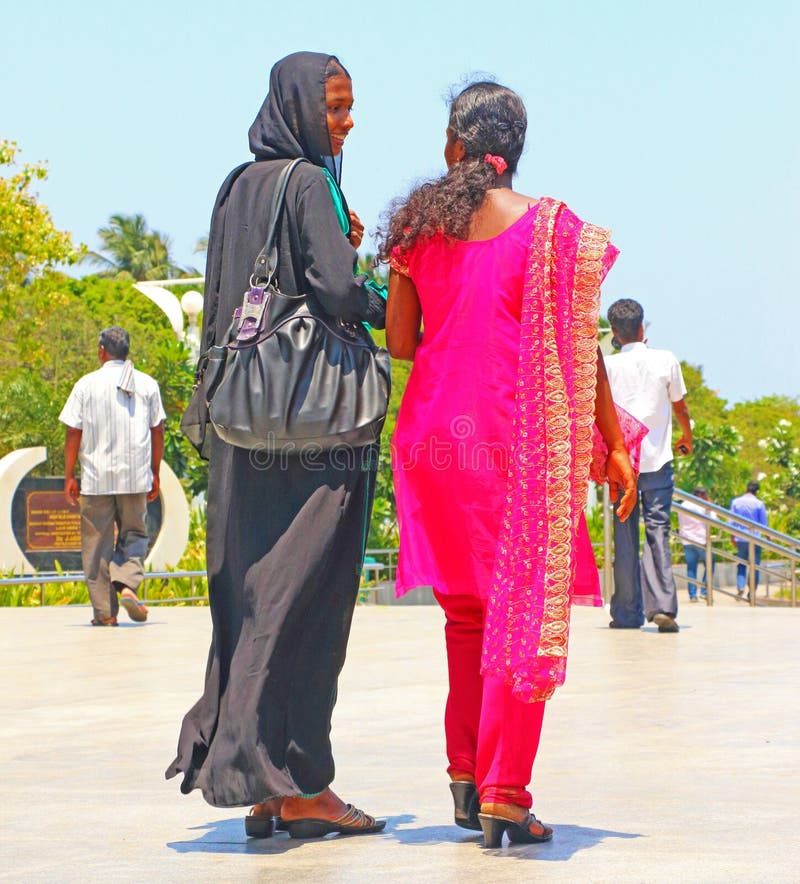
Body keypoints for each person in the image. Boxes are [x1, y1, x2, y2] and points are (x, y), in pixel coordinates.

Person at [379, 80, 637, 849]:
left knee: (466, 616)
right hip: (514, 444)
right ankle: (503, 793)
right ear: (514, 151)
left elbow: (399, 342)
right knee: (521, 613)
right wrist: (615, 444)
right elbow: (578, 345)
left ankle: (465, 774)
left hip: (434, 441)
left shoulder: (416, 230)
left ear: (455, 147)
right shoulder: (555, 231)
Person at [165, 52, 386, 840]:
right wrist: (390, 300)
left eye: (350, 108)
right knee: (311, 598)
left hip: (245, 426)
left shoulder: (238, 186)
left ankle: (259, 776)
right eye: (335, 108)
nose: (346, 122)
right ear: (300, 107)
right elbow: (334, 292)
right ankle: (302, 786)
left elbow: (240, 297)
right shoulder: (311, 182)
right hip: (314, 431)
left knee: (252, 595)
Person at [59, 326, 164, 626]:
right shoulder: (147, 385)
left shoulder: (85, 385)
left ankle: (105, 615)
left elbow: (72, 431)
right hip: (134, 477)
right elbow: (157, 430)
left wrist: (69, 475)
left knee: (97, 545)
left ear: (102, 350)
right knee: (135, 534)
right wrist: (154, 471)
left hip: (95, 478)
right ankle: (128, 584)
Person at [604, 298, 692, 633]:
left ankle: (626, 612)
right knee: (658, 531)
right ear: (643, 327)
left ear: (614, 332)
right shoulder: (665, 359)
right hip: (657, 461)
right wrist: (687, 437)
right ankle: (663, 608)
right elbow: (680, 406)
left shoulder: (609, 366)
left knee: (625, 535)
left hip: (622, 464)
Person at [729, 481, 768, 599]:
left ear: (746, 489)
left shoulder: (735, 502)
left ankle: (740, 586)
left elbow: (731, 521)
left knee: (741, 564)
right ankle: (751, 593)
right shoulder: (759, 504)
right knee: (754, 566)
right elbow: (764, 524)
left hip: (741, 538)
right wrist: (768, 538)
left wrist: (732, 537)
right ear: (757, 491)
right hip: (755, 539)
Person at [677, 486, 716, 602]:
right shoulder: (701, 505)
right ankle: (704, 591)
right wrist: (710, 506)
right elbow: (713, 518)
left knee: (691, 568)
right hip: (701, 540)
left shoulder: (683, 504)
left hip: (687, 540)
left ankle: (692, 595)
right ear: (700, 495)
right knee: (710, 564)